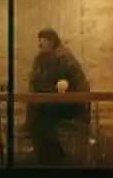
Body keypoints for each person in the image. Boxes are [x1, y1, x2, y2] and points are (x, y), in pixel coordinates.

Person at [25, 28, 90, 165]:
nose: (41, 44)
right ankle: (46, 156)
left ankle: (53, 158)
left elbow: (79, 83)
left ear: (52, 41)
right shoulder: (40, 59)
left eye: (45, 40)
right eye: (40, 40)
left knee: (41, 119)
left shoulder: (64, 57)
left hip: (69, 106)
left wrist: (65, 87)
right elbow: (34, 80)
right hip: (47, 103)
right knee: (36, 115)